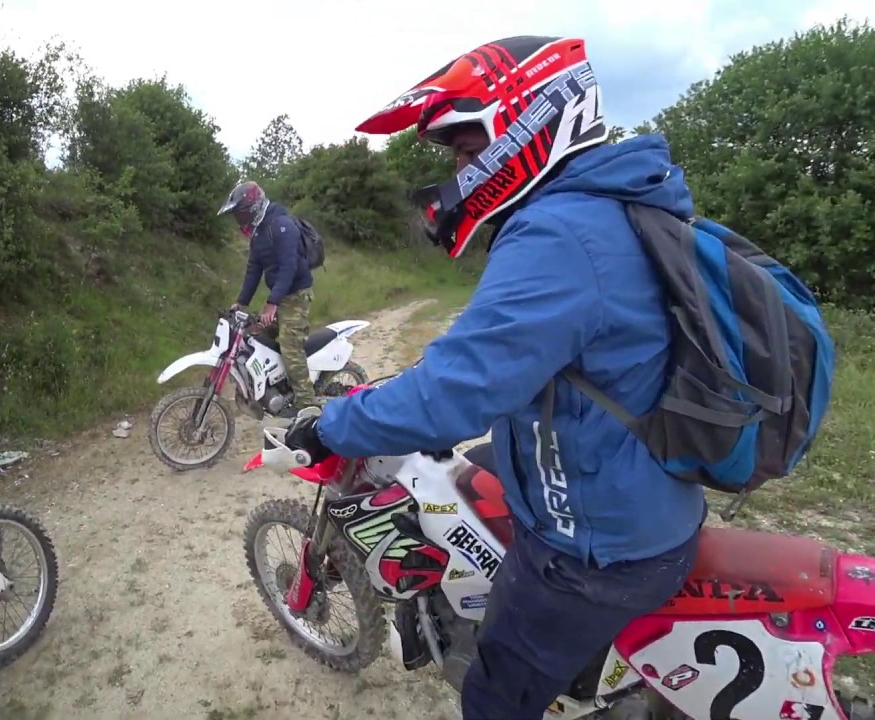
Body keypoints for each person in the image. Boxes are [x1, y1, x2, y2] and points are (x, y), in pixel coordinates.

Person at [283, 36, 705, 719]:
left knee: (491, 697)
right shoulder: (608, 206)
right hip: (632, 485)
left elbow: (458, 390)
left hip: (593, 546)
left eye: (465, 148)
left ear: (527, 122)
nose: (456, 170)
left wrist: (333, 423)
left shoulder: (560, 233)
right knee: (465, 475)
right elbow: (506, 352)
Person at [219, 181, 316, 414]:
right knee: (257, 338)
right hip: (280, 295)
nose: (239, 220)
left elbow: (288, 267)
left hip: (296, 296)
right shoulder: (258, 233)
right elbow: (254, 270)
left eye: (241, 214)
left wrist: (272, 303)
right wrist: (240, 302)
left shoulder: (281, 225)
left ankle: (308, 405)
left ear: (253, 207)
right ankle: (279, 389)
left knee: (290, 347)